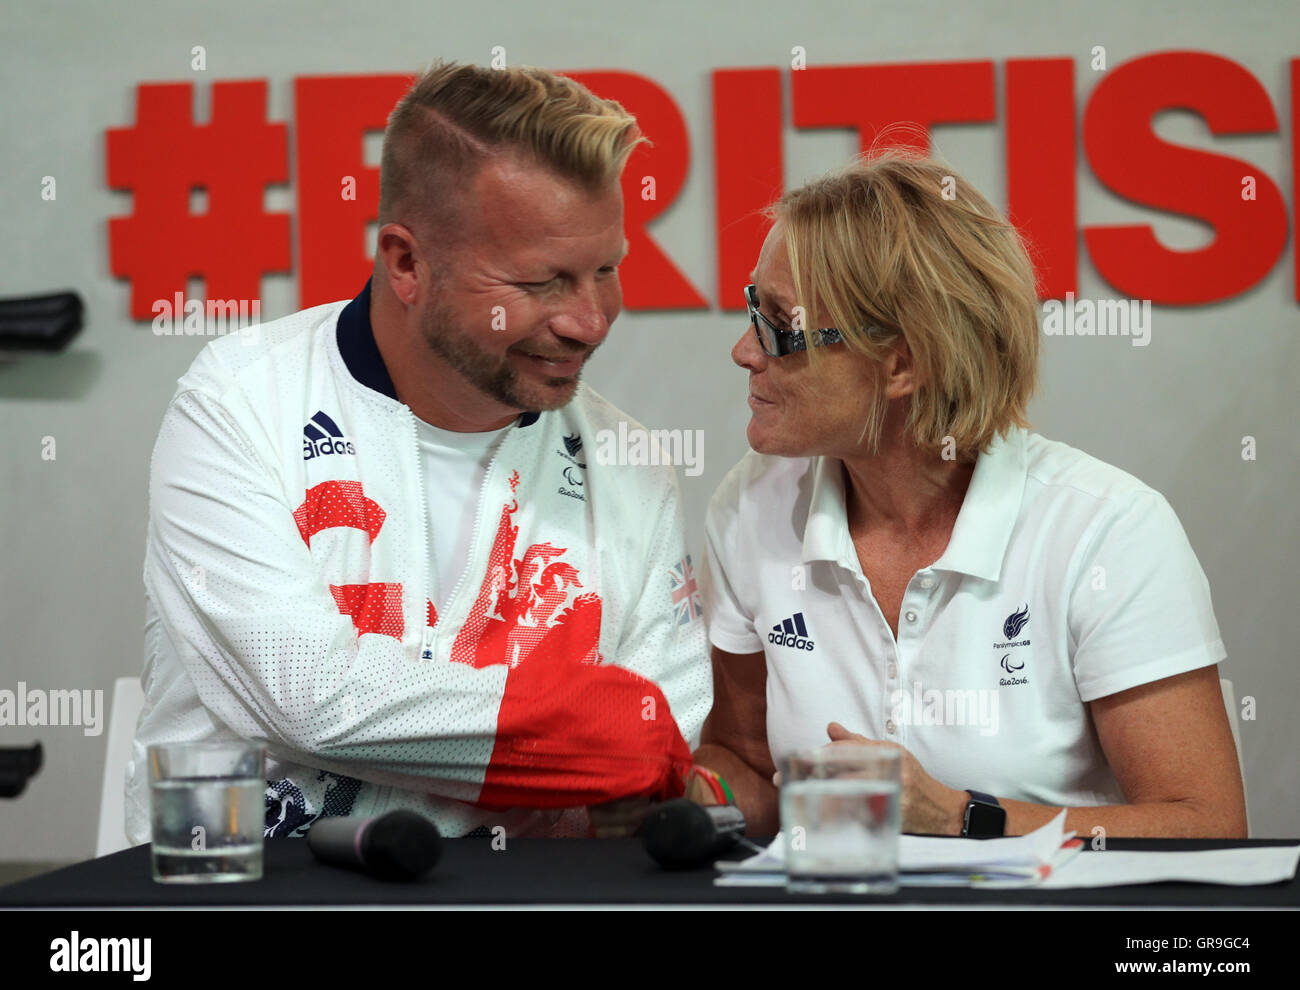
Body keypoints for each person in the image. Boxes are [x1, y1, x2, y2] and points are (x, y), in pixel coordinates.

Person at [126, 61, 714, 844]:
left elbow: (652, 744)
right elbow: (306, 695)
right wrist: (577, 727)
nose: (590, 320)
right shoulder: (237, 405)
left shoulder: (630, 461)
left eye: (604, 270)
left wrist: (609, 743)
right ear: (406, 264)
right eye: (542, 281)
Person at [695, 151, 1247, 838]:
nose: (745, 350)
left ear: (903, 362)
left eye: (780, 324)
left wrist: (959, 815)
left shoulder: (1108, 529)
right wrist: (692, 795)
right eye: (754, 308)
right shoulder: (752, 507)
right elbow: (745, 763)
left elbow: (1206, 825)